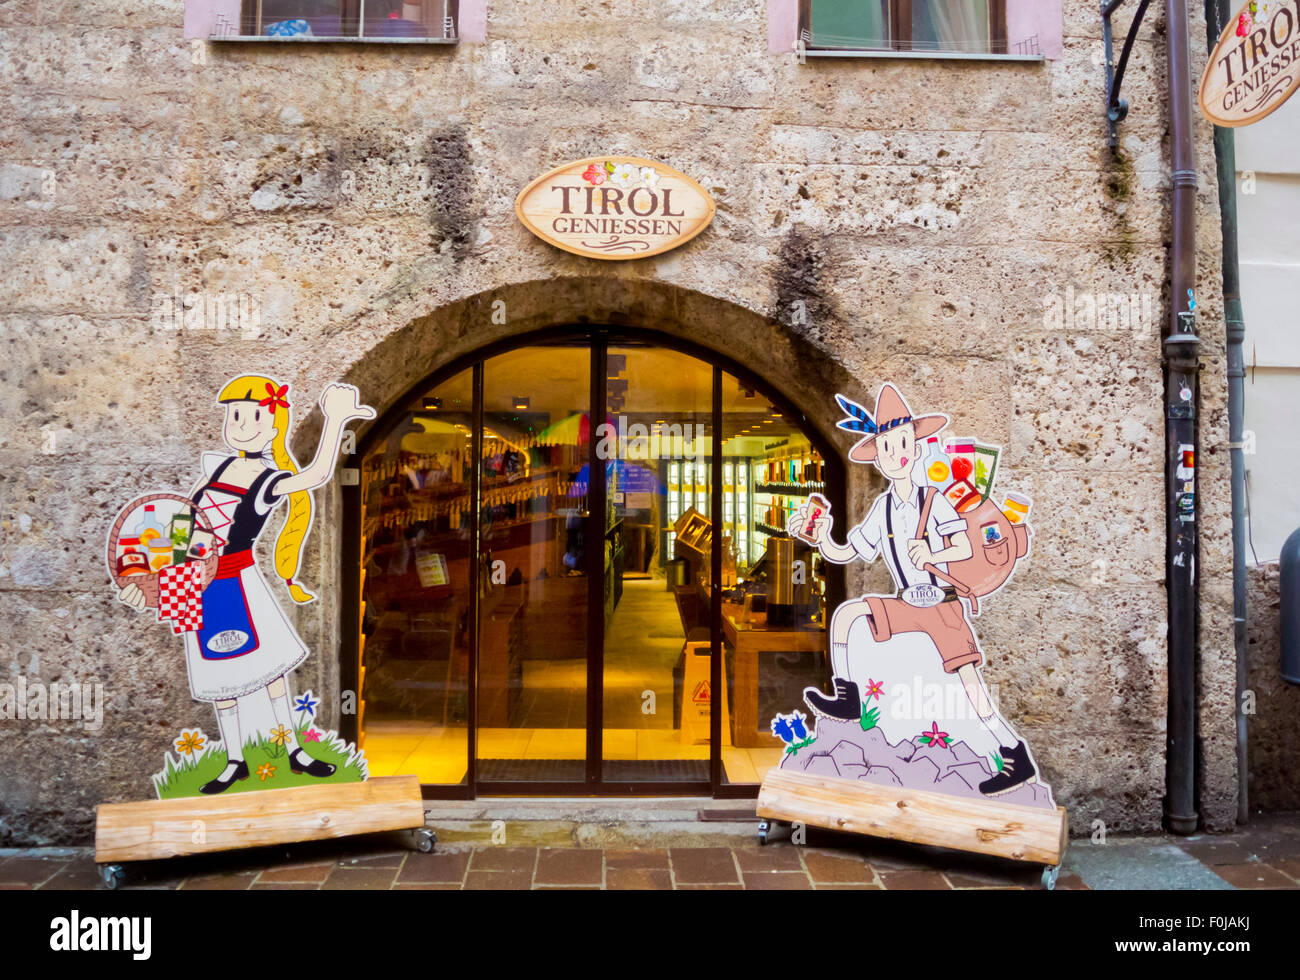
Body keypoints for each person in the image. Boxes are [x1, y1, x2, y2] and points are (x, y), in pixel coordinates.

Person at [118, 375, 375, 794]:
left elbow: (314, 475)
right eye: (235, 414)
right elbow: (182, 525)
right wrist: (149, 582)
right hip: (195, 583)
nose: (241, 423)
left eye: (253, 415)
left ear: (273, 426)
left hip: (239, 580)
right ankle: (235, 760)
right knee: (222, 680)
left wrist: (336, 420)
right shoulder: (217, 467)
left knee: (270, 672)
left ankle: (294, 750)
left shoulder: (267, 480)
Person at [787, 383, 1037, 796]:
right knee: (847, 615)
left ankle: (1014, 755)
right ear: (881, 459)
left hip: (941, 605)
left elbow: (962, 544)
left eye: (903, 443)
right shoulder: (883, 508)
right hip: (907, 603)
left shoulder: (932, 499)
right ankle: (848, 696)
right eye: (888, 448)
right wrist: (819, 536)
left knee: (971, 686)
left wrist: (933, 554)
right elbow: (849, 552)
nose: (897, 453)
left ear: (915, 448)